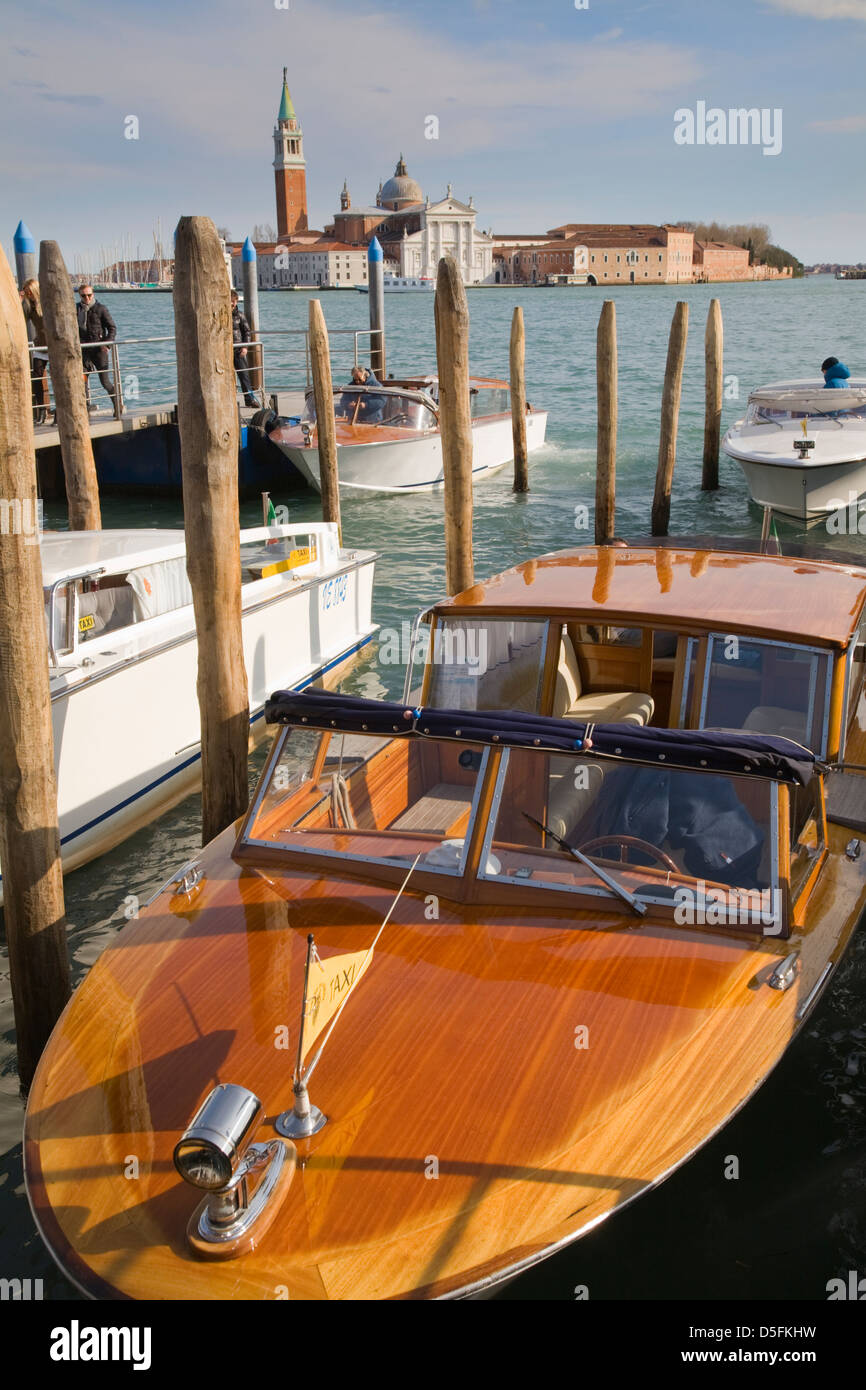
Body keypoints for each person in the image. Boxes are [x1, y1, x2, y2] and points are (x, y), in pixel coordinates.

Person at [77, 284, 117, 411]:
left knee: (105, 382)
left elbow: (112, 328)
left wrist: (106, 344)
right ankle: (85, 408)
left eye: (89, 295)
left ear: (93, 294)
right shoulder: (76, 309)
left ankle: (117, 405)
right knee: (81, 380)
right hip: (83, 350)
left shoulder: (101, 309)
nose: (87, 298)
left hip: (99, 349)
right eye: (83, 295)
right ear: (80, 296)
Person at [20, 278, 49, 425]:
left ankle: (58, 412)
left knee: (58, 379)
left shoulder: (47, 301)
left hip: (55, 345)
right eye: (26, 292)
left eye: (29, 292)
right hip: (41, 345)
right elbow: (20, 319)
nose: (28, 294)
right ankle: (42, 411)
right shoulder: (29, 305)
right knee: (37, 377)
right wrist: (20, 300)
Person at [231, 290, 261, 407]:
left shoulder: (240, 315)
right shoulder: (221, 315)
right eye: (230, 302)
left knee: (244, 376)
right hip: (225, 350)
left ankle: (250, 399)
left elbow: (247, 332)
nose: (232, 304)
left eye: (234, 301)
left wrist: (245, 347)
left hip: (238, 349)